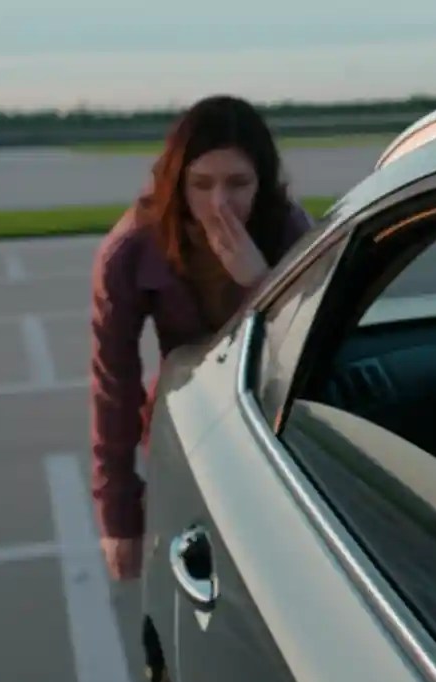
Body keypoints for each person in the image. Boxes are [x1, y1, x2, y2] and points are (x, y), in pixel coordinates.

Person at [90, 95, 313, 581]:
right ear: (177, 182)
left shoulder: (288, 230)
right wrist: (118, 517)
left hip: (270, 422)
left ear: (263, 183)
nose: (219, 203)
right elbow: (114, 388)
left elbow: (313, 353)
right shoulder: (131, 251)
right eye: (201, 183)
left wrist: (262, 284)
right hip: (187, 423)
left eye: (238, 183)